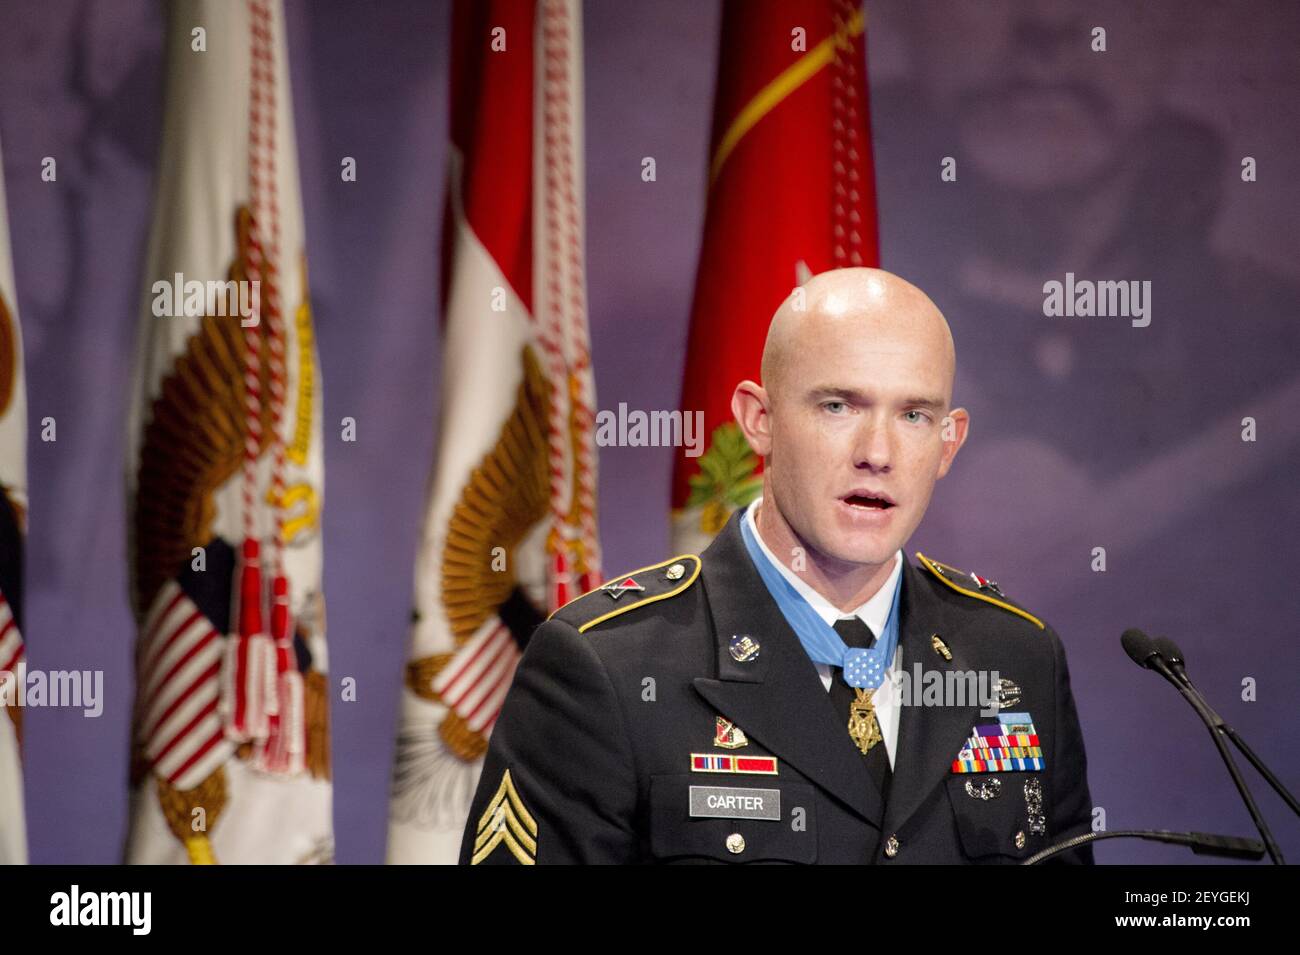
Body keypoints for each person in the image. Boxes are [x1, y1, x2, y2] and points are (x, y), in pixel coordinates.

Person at [459, 267, 1094, 864]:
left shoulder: (1017, 659)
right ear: (759, 421)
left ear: (948, 443)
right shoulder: (607, 669)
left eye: (913, 415)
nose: (878, 452)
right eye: (838, 406)